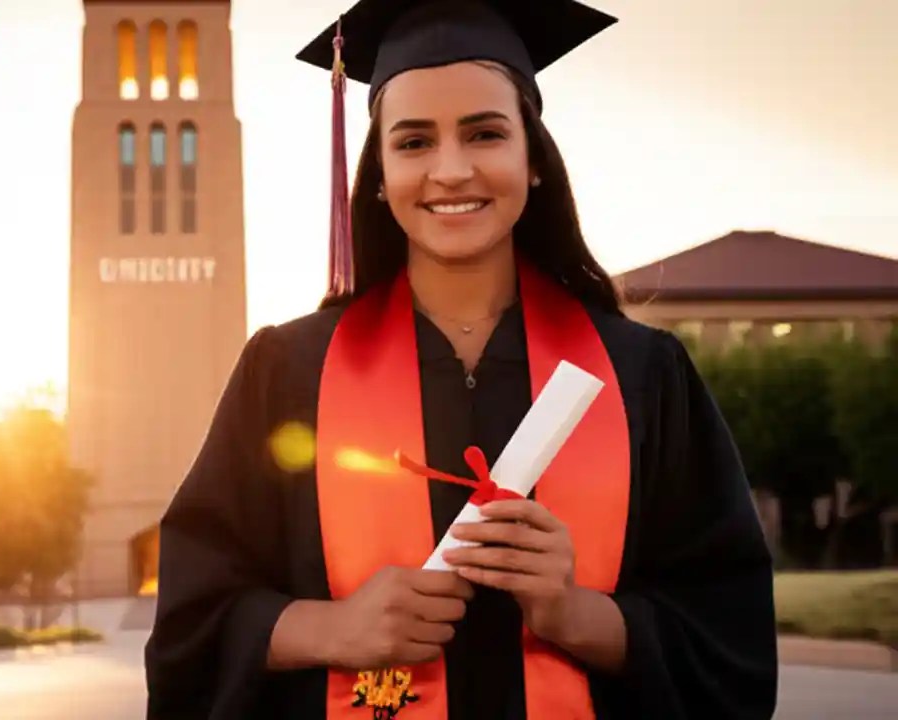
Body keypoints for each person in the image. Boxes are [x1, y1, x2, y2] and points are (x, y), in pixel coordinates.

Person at [144, 0, 779, 718]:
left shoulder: (640, 375)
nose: (450, 170)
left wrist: (576, 615)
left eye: (484, 133)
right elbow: (192, 622)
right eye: (413, 142)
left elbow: (730, 633)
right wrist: (332, 628)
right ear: (379, 175)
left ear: (533, 160)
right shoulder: (288, 372)